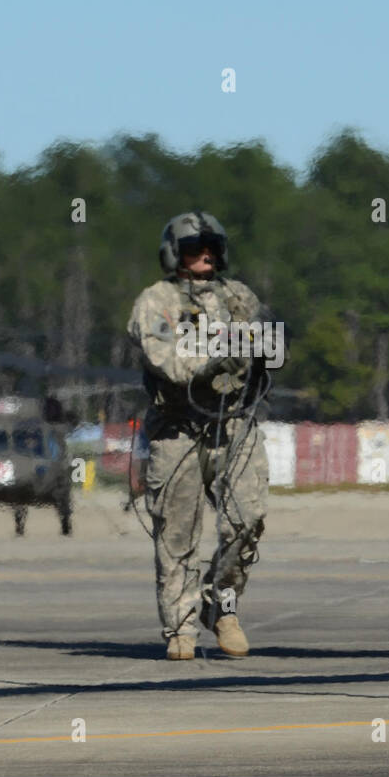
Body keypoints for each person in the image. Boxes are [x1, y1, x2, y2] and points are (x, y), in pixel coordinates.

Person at [127, 212, 279, 660]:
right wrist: (213, 357)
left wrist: (263, 349)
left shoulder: (239, 297)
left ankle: (223, 607)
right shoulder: (155, 302)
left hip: (234, 422)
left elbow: (266, 343)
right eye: (195, 248)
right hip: (178, 429)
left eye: (211, 247)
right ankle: (180, 627)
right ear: (174, 254)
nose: (205, 256)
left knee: (247, 522)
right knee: (178, 536)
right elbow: (166, 361)